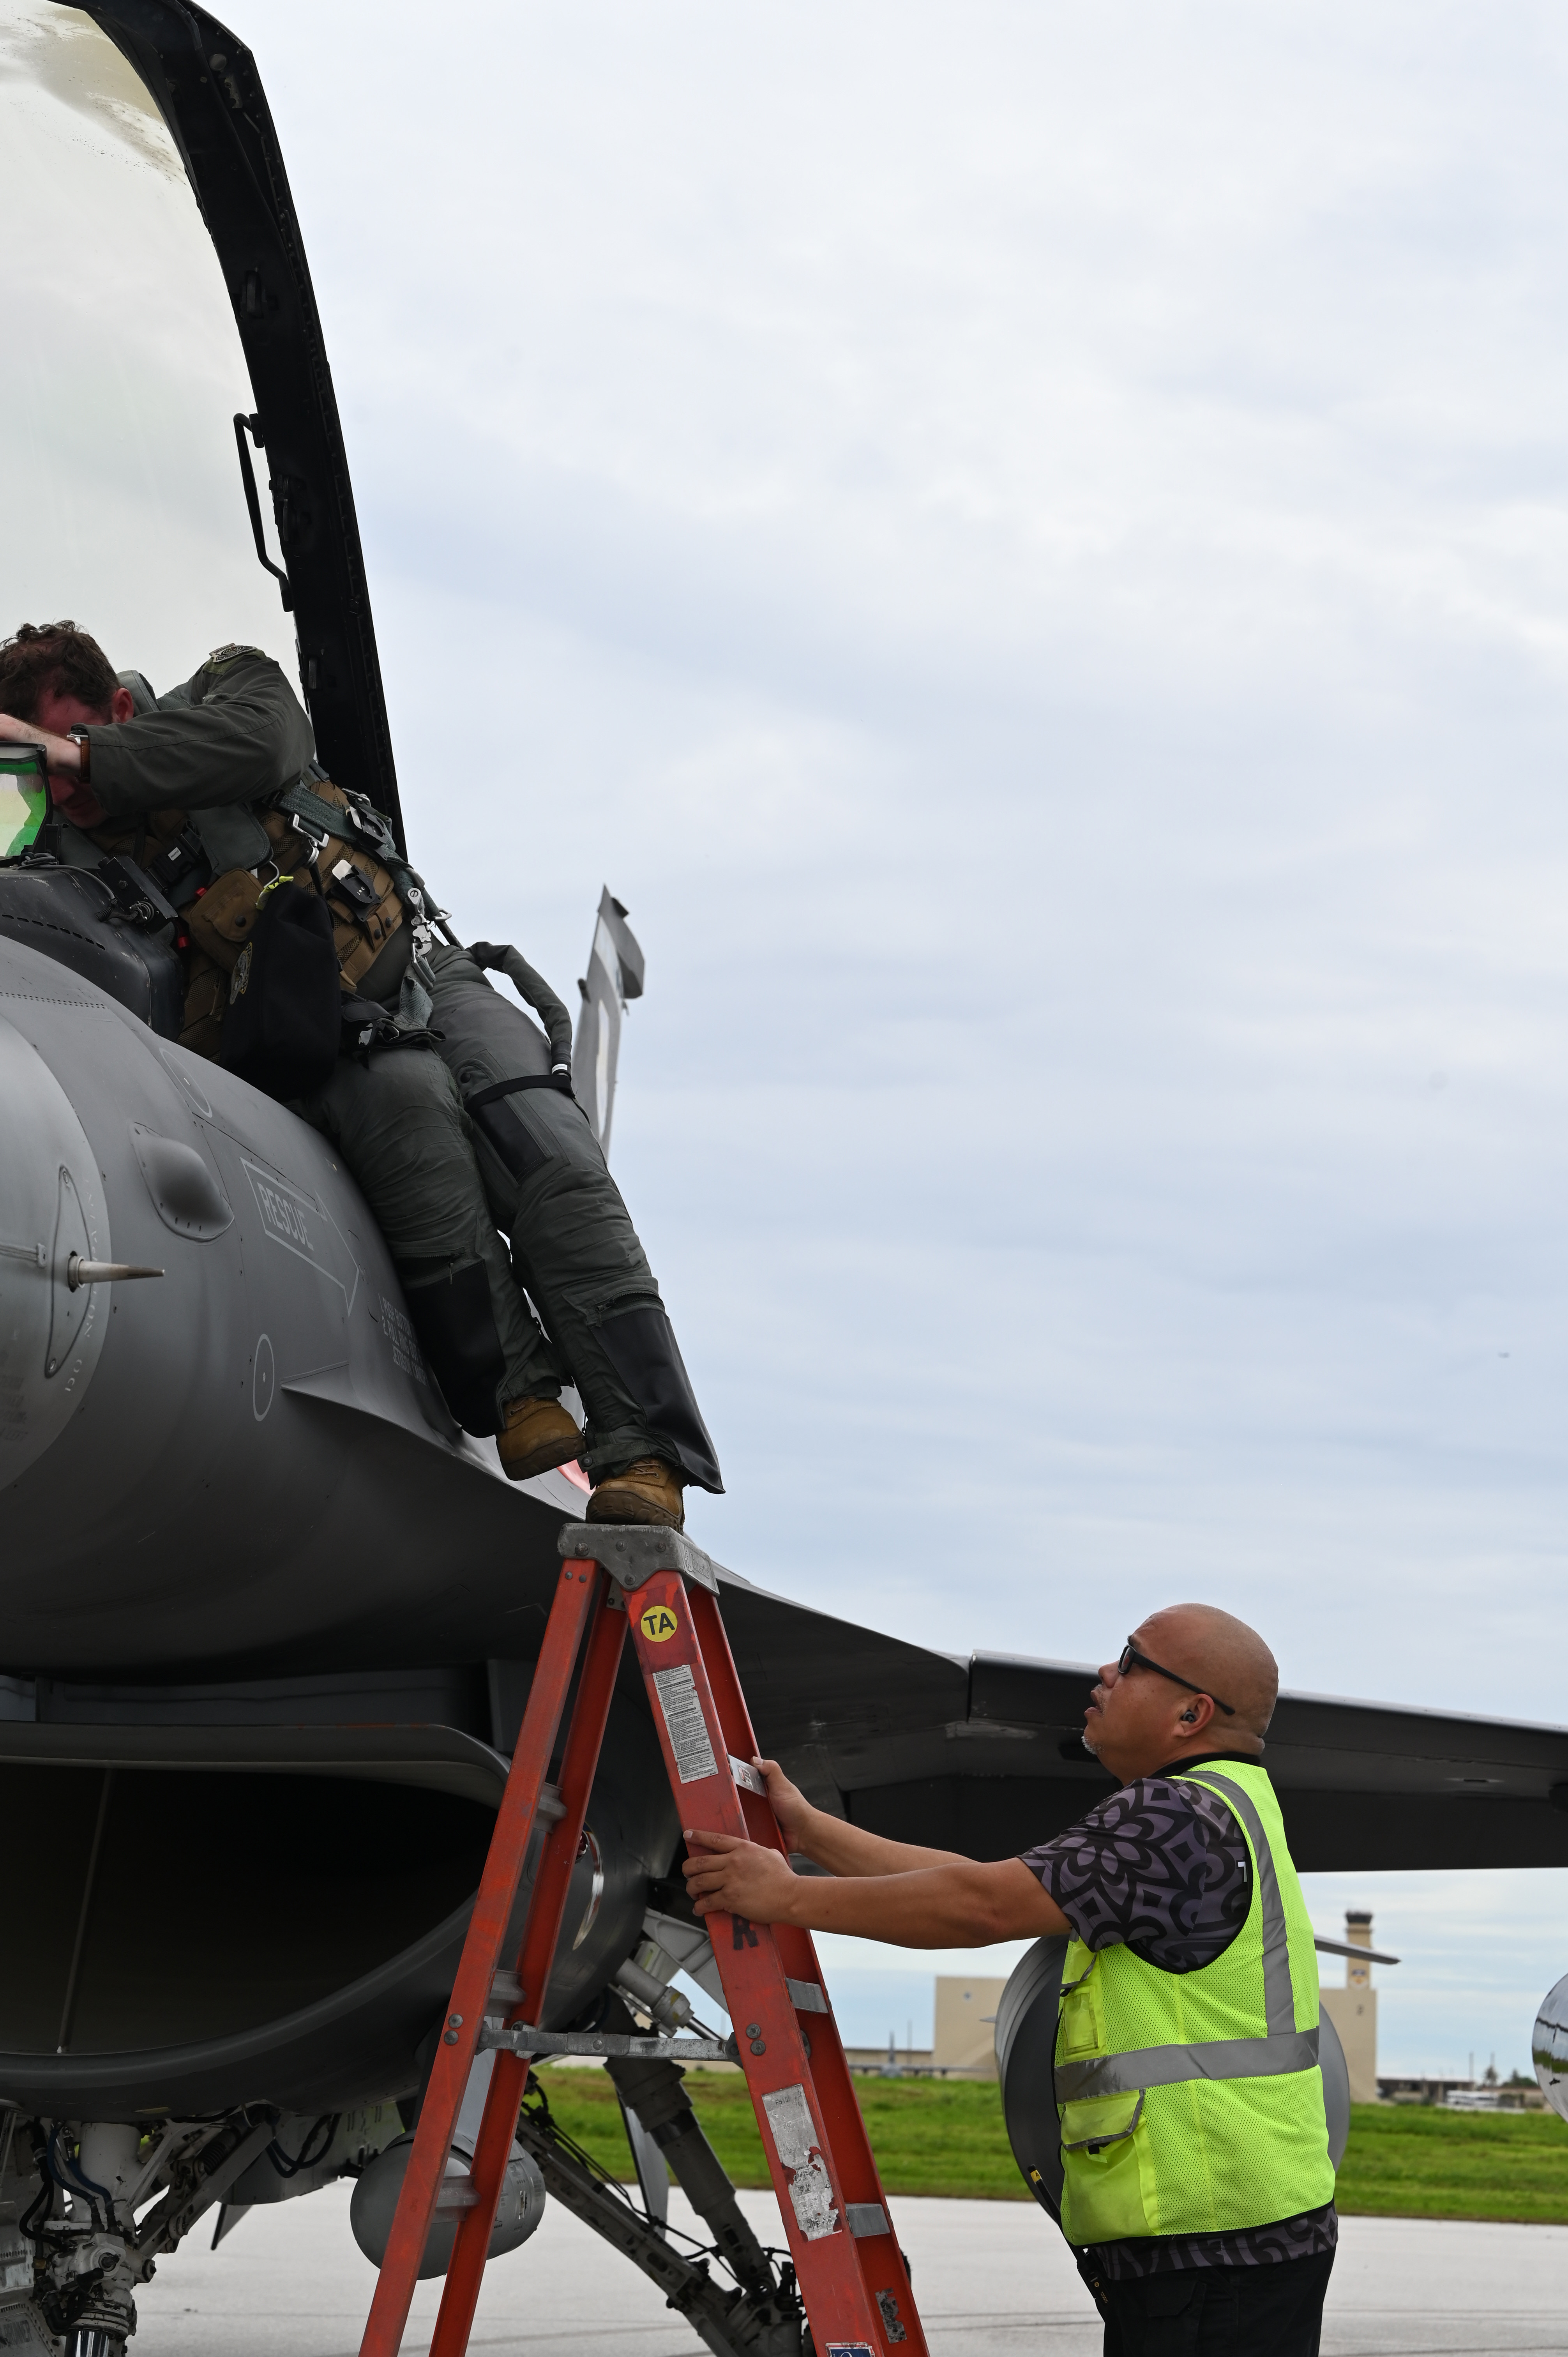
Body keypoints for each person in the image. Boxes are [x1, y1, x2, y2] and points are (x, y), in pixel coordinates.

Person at [0, 620, 720, 1528]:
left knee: (546, 1153)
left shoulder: (229, 690)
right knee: (413, 1138)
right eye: (38, 769)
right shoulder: (66, 862)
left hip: (423, 976)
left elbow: (269, 741)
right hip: (329, 1041)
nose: (63, 788)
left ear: (115, 709)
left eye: (66, 748)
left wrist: (86, 758)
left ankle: (646, 1451)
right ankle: (517, 1396)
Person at [683, 1605, 1337, 2357]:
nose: (1105, 1673)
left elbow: (980, 1907)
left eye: (1131, 1661)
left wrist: (784, 1897)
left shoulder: (1176, 1816)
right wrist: (812, 1835)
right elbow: (982, 1883)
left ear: (1192, 1713)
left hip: (1211, 2252)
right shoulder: (1220, 1807)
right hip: (1239, 2237)